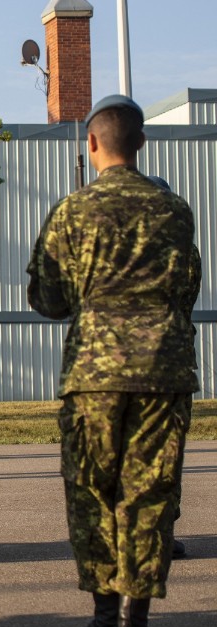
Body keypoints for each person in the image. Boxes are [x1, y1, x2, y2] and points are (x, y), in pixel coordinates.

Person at [28, 95, 198, 627]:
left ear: (92, 144)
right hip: (162, 366)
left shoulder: (72, 212)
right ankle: (135, 626)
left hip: (94, 373)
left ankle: (104, 619)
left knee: (92, 489)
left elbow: (47, 299)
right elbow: (188, 288)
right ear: (142, 143)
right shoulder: (175, 211)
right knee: (148, 493)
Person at [146, 175, 188, 563]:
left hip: (132, 362)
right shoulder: (184, 249)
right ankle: (163, 531)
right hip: (173, 361)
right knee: (169, 450)